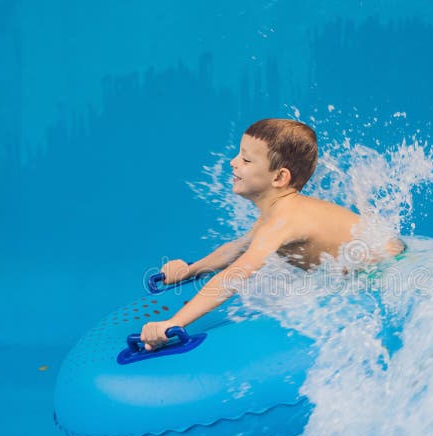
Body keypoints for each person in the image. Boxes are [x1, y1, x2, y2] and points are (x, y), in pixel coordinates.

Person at [140, 118, 403, 350]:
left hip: (395, 269)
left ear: (279, 178)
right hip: (388, 257)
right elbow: (237, 248)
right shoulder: (277, 214)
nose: (233, 162)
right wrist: (191, 270)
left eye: (245, 160)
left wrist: (174, 323)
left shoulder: (284, 220)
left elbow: (237, 273)